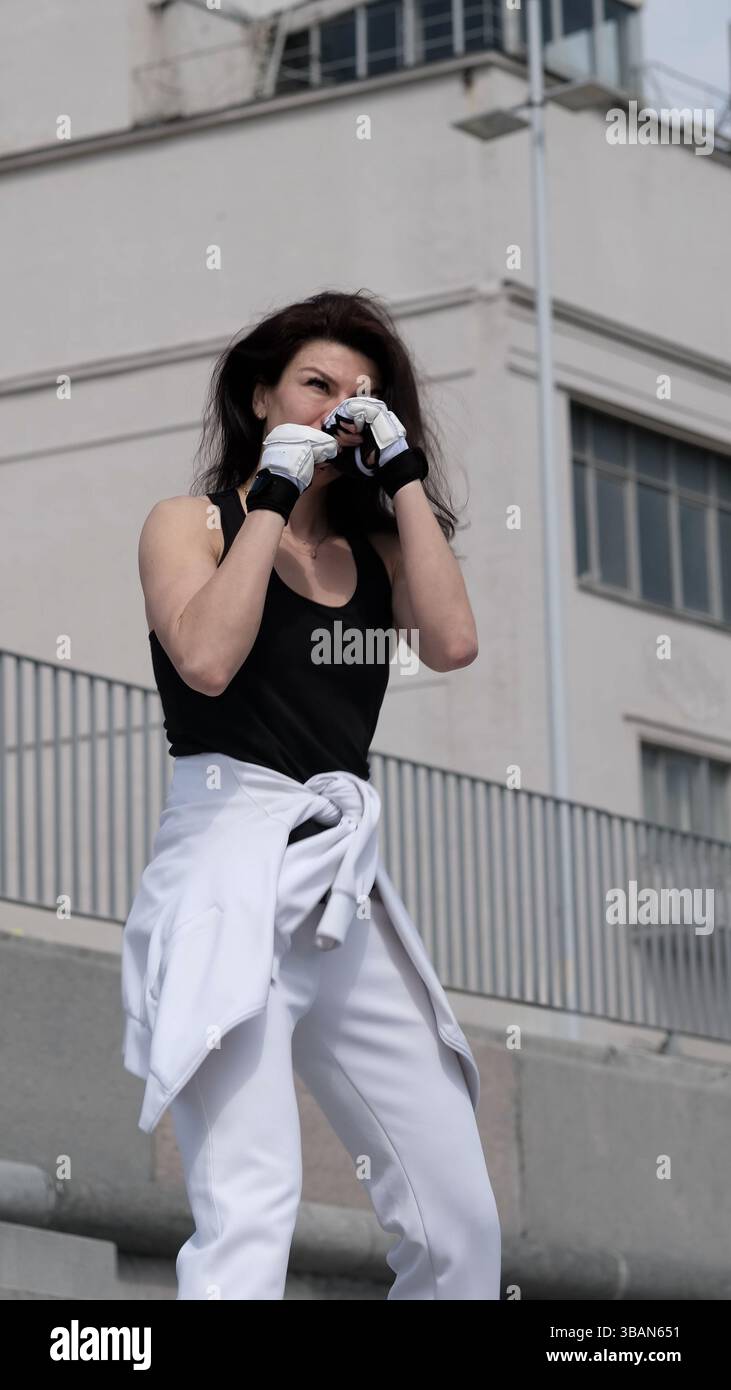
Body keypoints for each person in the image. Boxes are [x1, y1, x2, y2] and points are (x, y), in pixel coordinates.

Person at [121, 288, 501, 1300]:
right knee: (251, 1203)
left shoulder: (376, 552)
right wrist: (272, 498)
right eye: (317, 386)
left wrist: (405, 476)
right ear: (261, 395)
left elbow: (452, 643)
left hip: (341, 880)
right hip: (228, 856)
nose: (339, 408)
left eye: (364, 397)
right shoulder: (189, 521)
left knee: (455, 1214)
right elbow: (204, 657)